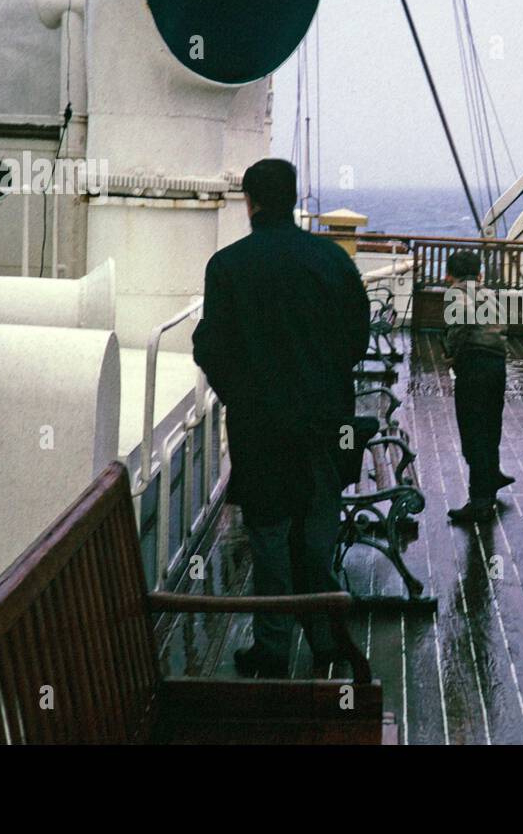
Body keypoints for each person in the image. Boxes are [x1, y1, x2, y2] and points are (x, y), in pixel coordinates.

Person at [192, 158, 370, 677]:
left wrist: (240, 395)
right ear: (291, 199)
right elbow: (356, 341)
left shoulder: (226, 266)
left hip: (259, 425)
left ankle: (271, 645)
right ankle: (324, 640)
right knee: (317, 530)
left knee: (268, 534)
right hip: (326, 421)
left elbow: (212, 347)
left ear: (250, 202)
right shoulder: (332, 261)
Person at [442, 251, 513, 522]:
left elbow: (459, 326)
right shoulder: (491, 293)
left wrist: (451, 353)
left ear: (450, 274)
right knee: (490, 426)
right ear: (479, 273)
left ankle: (480, 501)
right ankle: (491, 477)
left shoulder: (455, 294)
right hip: (497, 365)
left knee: (472, 430)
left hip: (474, 366)